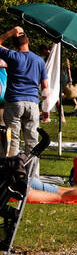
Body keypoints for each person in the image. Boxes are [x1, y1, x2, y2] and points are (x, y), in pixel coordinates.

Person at [0, 26, 48, 158]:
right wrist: (46, 107)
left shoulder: (12, 56)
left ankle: (14, 174)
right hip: (32, 104)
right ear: (28, 41)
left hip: (14, 102)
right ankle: (32, 176)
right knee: (33, 142)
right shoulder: (39, 60)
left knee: (13, 140)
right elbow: (45, 86)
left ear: (15, 45)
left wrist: (10, 32)